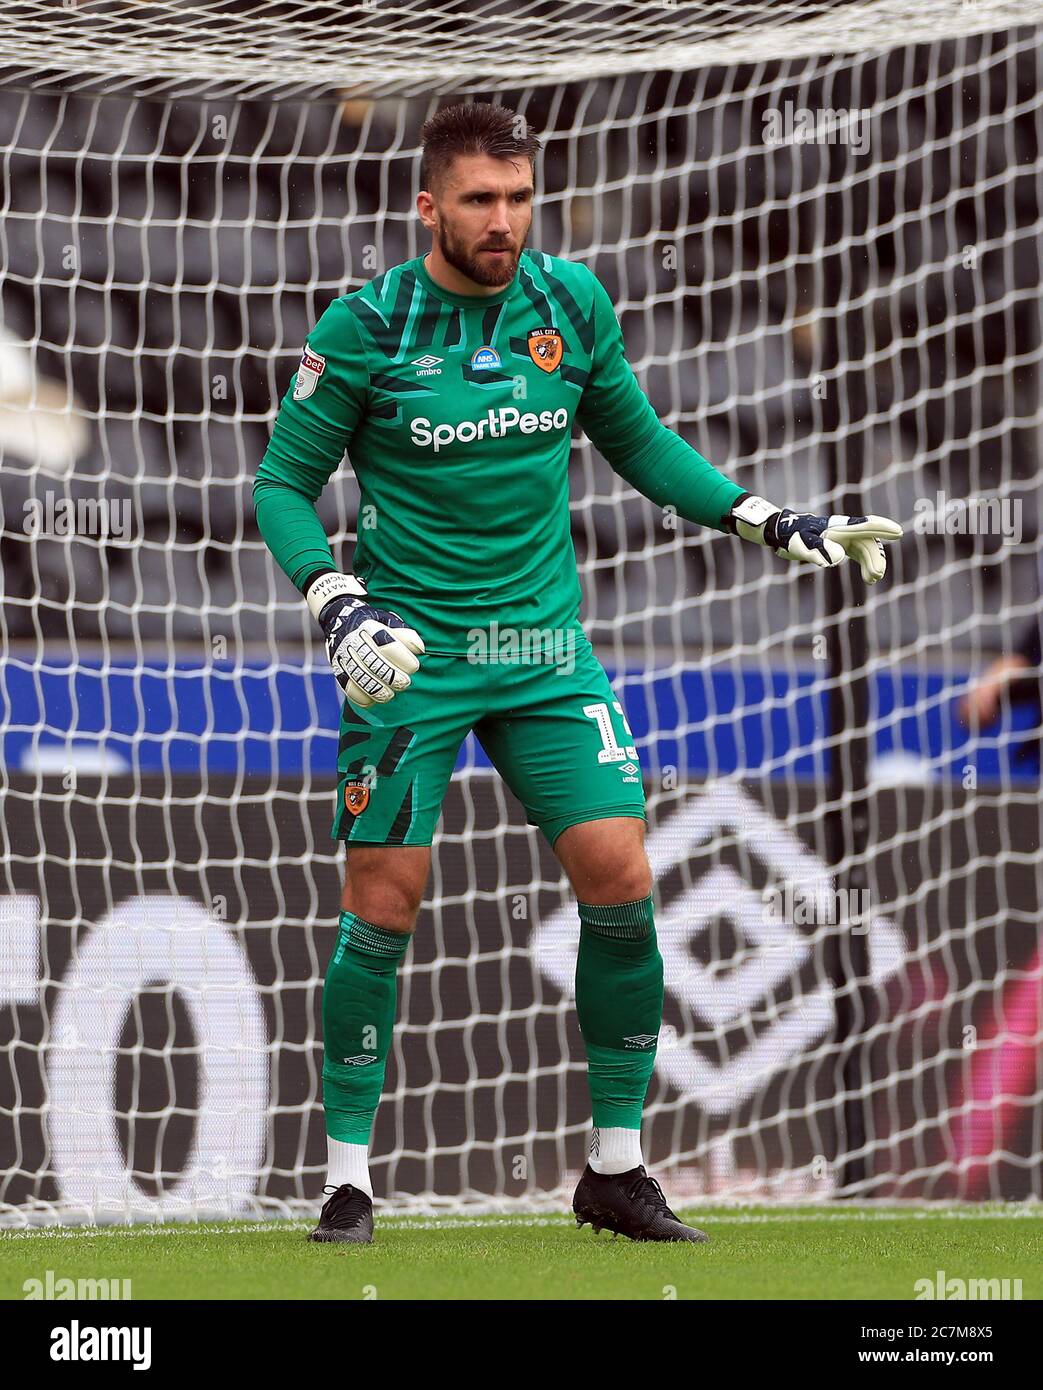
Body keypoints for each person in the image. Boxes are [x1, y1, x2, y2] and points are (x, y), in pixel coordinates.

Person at [254, 101, 902, 1244]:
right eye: (477, 202)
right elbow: (278, 486)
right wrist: (336, 601)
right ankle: (347, 1179)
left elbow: (639, 442)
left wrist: (768, 517)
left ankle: (614, 1164)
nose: (500, 222)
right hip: (412, 655)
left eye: (516, 199)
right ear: (427, 207)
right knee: (383, 904)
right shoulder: (364, 327)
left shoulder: (571, 303)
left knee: (620, 873)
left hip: (546, 651)